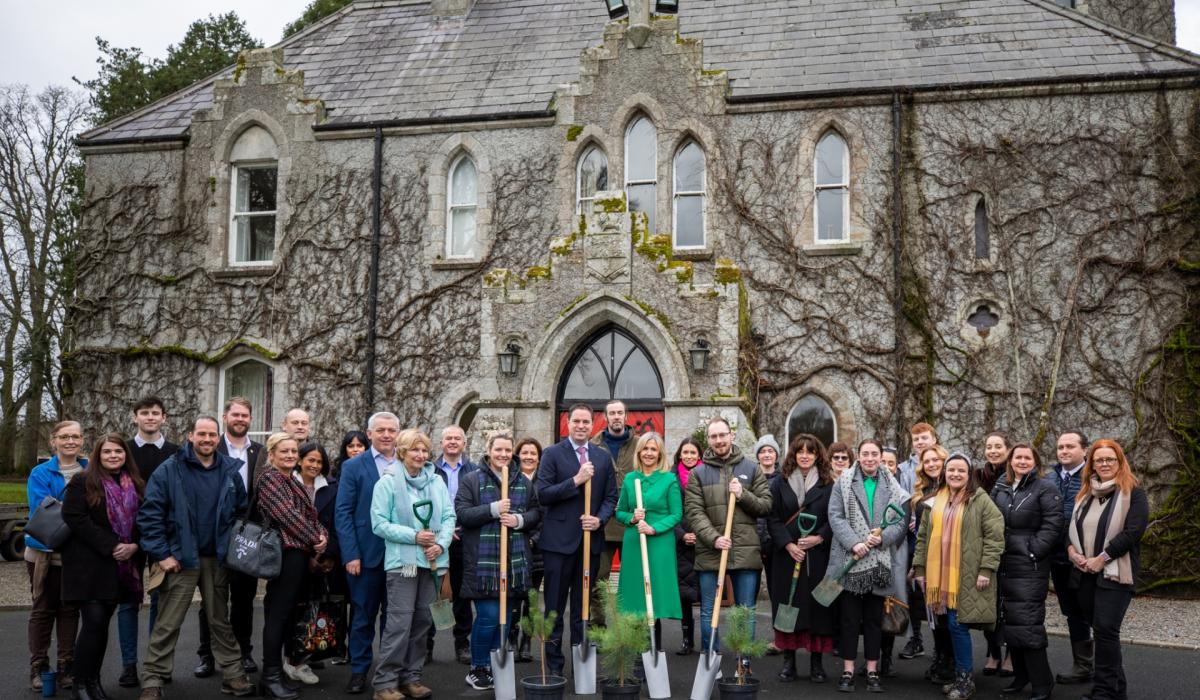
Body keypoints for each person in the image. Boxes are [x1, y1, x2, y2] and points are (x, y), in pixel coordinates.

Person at [137, 415, 254, 700]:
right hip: (180, 559)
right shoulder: (170, 470)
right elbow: (150, 515)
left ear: (218, 437)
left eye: (212, 435)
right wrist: (162, 554)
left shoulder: (229, 470)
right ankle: (153, 679)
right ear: (190, 435)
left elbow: (240, 512)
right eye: (201, 434)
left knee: (219, 620)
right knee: (168, 622)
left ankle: (233, 675)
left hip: (216, 559)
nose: (207, 439)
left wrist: (231, 549)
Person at [370, 429, 455, 700]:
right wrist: (415, 537)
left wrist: (440, 544)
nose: (420, 455)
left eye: (424, 450)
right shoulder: (387, 483)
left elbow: (450, 515)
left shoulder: (436, 482)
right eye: (414, 450)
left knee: (422, 622)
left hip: (432, 563)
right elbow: (379, 524)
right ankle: (385, 683)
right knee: (399, 624)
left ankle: (411, 678)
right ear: (402, 452)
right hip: (404, 564)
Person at [683, 417, 771, 676]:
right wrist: (714, 538)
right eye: (713, 437)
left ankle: (743, 664)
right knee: (709, 611)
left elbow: (766, 505)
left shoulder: (751, 469)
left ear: (731, 435)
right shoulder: (698, 474)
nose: (719, 441)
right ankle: (712, 663)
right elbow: (694, 512)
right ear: (708, 440)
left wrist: (743, 494)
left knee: (745, 612)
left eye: (723, 435)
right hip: (711, 552)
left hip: (745, 551)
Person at [913, 452, 1005, 699]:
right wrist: (920, 568)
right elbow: (922, 538)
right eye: (951, 470)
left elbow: (995, 537)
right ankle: (960, 676)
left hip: (969, 573)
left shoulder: (980, 500)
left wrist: (987, 569)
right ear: (944, 473)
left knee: (957, 624)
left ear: (969, 474)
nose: (955, 474)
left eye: (960, 471)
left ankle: (965, 680)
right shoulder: (934, 501)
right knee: (951, 625)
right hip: (938, 575)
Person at [535, 403, 618, 676]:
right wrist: (575, 480)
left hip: (589, 542)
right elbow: (543, 494)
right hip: (558, 544)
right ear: (567, 423)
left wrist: (599, 520)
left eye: (586, 422)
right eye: (576, 422)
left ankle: (581, 663)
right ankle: (554, 666)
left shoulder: (602, 457)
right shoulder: (552, 454)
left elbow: (610, 497)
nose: (581, 426)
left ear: (593, 424)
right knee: (555, 607)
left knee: (583, 606)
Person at [455, 432, 541, 690]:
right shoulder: (472, 480)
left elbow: (536, 513)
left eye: (507, 450)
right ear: (488, 451)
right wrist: (492, 509)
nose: (503, 455)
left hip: (513, 564)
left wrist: (519, 521)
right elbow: (463, 514)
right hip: (484, 564)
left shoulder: (523, 482)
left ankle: (495, 665)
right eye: (498, 450)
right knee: (489, 616)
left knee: (505, 619)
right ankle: (478, 667)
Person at [61, 433, 144, 700]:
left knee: (102, 625)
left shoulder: (135, 483)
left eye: (118, 452)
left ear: (125, 455)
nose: (113, 456)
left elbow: (145, 519)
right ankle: (80, 685)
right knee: (93, 624)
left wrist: (134, 545)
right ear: (98, 454)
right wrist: (111, 545)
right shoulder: (83, 481)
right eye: (107, 452)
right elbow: (74, 517)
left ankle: (94, 682)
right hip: (89, 565)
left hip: (119, 568)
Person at [1066, 439, 1148, 700]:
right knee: (1102, 633)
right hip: (1084, 573)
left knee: (1106, 629)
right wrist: (1071, 551)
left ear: (1119, 461)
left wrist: (1103, 557)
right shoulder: (1085, 493)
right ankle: (1115, 689)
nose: (1104, 464)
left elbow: (1133, 532)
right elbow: (1072, 528)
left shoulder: (1133, 492)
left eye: (1110, 459)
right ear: (1091, 464)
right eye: (1099, 460)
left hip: (1115, 572)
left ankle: (1104, 692)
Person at [827, 438, 908, 693]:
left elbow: (900, 521)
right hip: (852, 561)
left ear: (880, 456)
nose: (870, 458)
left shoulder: (892, 485)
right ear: (858, 456)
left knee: (874, 621)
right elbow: (835, 515)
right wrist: (854, 543)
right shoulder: (843, 482)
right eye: (865, 454)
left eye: (875, 454)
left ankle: (872, 671)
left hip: (880, 562)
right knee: (850, 620)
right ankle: (848, 671)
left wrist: (882, 537)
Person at [255, 433, 329, 699]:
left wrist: (323, 537)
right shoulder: (270, 479)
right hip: (285, 556)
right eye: (283, 451)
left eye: (292, 451)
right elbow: (288, 517)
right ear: (271, 454)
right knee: (277, 616)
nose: (289, 455)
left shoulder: (290, 481)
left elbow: (311, 514)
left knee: (286, 615)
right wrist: (315, 539)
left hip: (298, 554)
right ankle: (271, 677)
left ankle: (274, 676)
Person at [196, 397, 264, 680]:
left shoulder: (260, 452)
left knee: (245, 599)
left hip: (248, 535)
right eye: (235, 414)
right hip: (216, 535)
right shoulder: (213, 448)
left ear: (250, 419)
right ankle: (207, 654)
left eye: (245, 415)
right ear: (225, 417)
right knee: (211, 600)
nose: (240, 419)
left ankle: (243, 651)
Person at [991, 443, 1062, 700]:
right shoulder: (1000, 486)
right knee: (1010, 622)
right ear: (1010, 460)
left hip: (1029, 565)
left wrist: (1033, 550)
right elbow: (989, 518)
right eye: (1017, 457)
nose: (1021, 461)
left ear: (1035, 461)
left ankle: (1043, 683)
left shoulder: (1045, 488)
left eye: (1026, 457)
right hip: (1004, 563)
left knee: (1028, 623)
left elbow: (1053, 525)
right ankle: (1022, 676)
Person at [336, 412, 400, 694]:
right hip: (365, 554)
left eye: (391, 430)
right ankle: (359, 670)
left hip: (400, 554)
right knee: (363, 616)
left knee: (395, 618)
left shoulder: (406, 462)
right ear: (369, 433)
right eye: (381, 430)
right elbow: (344, 513)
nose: (386, 435)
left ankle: (388, 672)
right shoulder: (354, 467)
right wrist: (351, 554)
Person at [120, 397, 179, 687]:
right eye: (144, 413)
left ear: (164, 418)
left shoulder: (175, 453)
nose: (150, 417)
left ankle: (157, 664)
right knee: (129, 603)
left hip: (162, 539)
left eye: (156, 413)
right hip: (128, 537)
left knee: (160, 601)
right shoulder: (124, 451)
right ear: (136, 418)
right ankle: (129, 665)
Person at [768, 434, 835, 684]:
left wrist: (819, 538)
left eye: (810, 452)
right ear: (793, 455)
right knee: (788, 605)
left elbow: (834, 518)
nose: (805, 456)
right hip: (787, 557)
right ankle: (789, 662)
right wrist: (787, 544)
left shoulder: (828, 484)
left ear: (817, 455)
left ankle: (817, 664)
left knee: (818, 608)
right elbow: (772, 518)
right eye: (800, 452)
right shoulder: (779, 483)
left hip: (817, 557)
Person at [25, 420, 86, 692]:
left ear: (82, 440)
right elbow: (44, 512)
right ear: (54, 441)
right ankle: (38, 666)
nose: (70, 441)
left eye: (75, 436)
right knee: (43, 609)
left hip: (77, 554)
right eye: (64, 437)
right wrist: (81, 518)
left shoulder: (90, 470)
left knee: (70, 610)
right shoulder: (41, 473)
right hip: (44, 553)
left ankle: (65, 666)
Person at [615, 432, 682, 675]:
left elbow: (676, 514)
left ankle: (653, 654)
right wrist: (632, 518)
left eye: (653, 449)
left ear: (660, 453)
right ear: (639, 452)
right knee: (636, 601)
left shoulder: (669, 480)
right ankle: (635, 659)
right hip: (634, 543)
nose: (649, 453)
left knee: (654, 601)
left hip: (659, 544)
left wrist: (653, 527)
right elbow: (619, 512)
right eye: (645, 449)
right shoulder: (631, 479)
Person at [291, 441, 343, 681]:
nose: (314, 465)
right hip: (292, 557)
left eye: (319, 461)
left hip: (321, 560)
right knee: (288, 611)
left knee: (312, 611)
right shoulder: (287, 483)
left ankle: (301, 659)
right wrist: (307, 555)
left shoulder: (331, 487)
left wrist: (328, 555)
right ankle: (285, 659)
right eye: (310, 460)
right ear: (300, 460)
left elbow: (336, 522)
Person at [1048, 430, 1094, 686]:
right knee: (1072, 613)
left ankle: (1104, 669)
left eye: (1070, 446)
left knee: (1092, 611)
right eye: (1060, 447)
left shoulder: (1092, 477)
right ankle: (1083, 665)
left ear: (1084, 450)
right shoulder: (1050, 477)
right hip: (1058, 559)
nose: (1064, 451)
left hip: (1085, 559)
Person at [906, 445, 955, 683]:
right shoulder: (923, 491)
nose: (933, 464)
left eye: (937, 460)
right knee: (933, 614)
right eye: (927, 461)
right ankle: (940, 657)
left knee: (947, 614)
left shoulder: (955, 487)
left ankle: (950, 662)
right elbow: (919, 535)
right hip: (927, 560)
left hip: (950, 561)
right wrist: (916, 564)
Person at [432, 425, 478, 665]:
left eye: (457, 438)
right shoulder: (430, 470)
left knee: (462, 594)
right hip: (435, 540)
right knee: (431, 592)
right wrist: (442, 533)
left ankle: (462, 643)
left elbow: (476, 504)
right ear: (441, 443)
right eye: (448, 438)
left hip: (464, 539)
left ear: (464, 443)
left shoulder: (474, 470)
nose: (452, 442)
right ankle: (426, 645)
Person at [592, 399, 638, 625]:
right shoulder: (594, 445)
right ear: (606, 417)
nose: (617, 417)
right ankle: (598, 625)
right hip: (603, 523)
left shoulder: (640, 445)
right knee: (599, 578)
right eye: (612, 413)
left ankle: (628, 628)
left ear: (626, 416)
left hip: (631, 522)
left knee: (631, 580)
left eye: (620, 412)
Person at [979, 431, 1011, 677]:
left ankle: (1011, 654)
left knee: (1009, 605)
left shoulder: (1014, 474)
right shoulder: (979, 476)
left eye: (998, 446)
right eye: (989, 446)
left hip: (1009, 548)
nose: (993, 451)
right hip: (983, 546)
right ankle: (993, 653)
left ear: (1007, 449)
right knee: (987, 602)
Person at [510, 437, 544, 662]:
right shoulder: (509, 479)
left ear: (539, 458)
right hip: (513, 547)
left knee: (531, 598)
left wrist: (534, 539)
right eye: (525, 453)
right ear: (517, 455)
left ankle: (526, 642)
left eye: (533, 453)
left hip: (538, 549)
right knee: (513, 597)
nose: (529, 457)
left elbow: (547, 514)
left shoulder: (545, 481)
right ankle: (511, 639)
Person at [672, 437, 703, 656]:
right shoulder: (671, 479)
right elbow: (667, 511)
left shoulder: (707, 475)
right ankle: (687, 639)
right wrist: (682, 535)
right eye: (686, 452)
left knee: (706, 594)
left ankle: (710, 641)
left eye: (693, 452)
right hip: (680, 543)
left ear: (699, 455)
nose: (689, 456)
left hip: (703, 543)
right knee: (684, 594)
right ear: (680, 455)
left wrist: (701, 535)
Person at [753, 434, 782, 655]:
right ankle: (747, 640)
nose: (766, 454)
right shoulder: (751, 477)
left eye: (770, 451)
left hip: (775, 542)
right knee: (749, 593)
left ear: (776, 455)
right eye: (763, 451)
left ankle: (779, 639)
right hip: (752, 541)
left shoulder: (783, 478)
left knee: (776, 593)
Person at [898, 422, 938, 496]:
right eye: (916, 439)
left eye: (924, 438)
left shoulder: (945, 464)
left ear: (934, 440)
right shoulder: (902, 470)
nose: (920, 442)